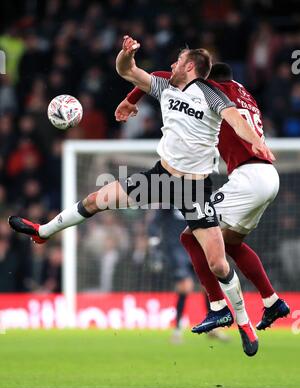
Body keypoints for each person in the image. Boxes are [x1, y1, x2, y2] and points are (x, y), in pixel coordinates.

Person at [9, 36, 273, 356]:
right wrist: (125, 54)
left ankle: (244, 324)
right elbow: (128, 71)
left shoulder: (212, 94)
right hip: (160, 177)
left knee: (218, 263)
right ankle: (42, 232)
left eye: (178, 61)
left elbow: (236, 120)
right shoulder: (165, 86)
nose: (171, 64)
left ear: (190, 66)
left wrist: (257, 142)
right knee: (96, 200)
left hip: (195, 188)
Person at [115, 61, 290, 342]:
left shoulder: (211, 91)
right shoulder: (245, 93)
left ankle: (217, 306)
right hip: (268, 176)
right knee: (230, 244)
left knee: (191, 237)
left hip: (248, 176)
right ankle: (272, 301)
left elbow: (160, 76)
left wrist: (130, 98)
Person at [148, 208, 230, 344]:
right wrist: (154, 245)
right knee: (185, 286)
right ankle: (178, 329)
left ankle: (213, 328)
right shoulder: (171, 198)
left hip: (197, 246)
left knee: (208, 285)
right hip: (176, 248)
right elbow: (155, 222)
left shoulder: (198, 198)